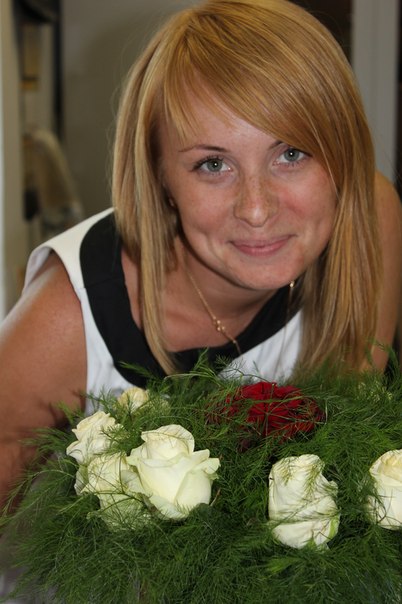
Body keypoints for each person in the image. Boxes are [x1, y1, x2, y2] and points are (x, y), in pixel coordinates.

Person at [0, 0, 401, 509]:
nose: (257, 209)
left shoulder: (368, 220)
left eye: (291, 154)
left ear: (344, 154)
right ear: (160, 176)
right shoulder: (67, 317)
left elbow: (345, 447)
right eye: (213, 164)